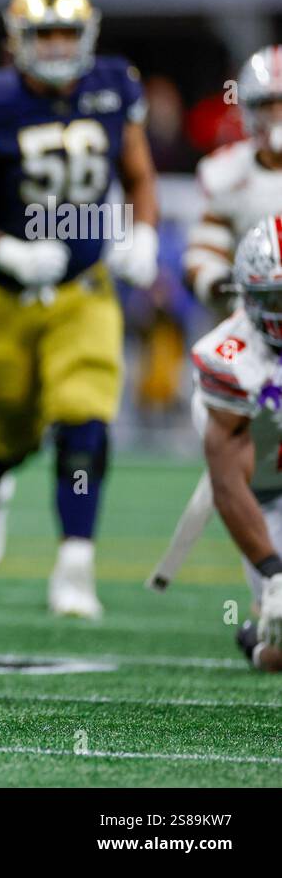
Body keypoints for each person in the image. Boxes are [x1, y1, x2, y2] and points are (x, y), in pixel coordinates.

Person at [0, 0, 159, 618]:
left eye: (67, 33)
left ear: (87, 36)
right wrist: (6, 250)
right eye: (44, 34)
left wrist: (143, 231)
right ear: (17, 40)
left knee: (84, 415)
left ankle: (76, 562)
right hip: (4, 294)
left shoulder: (115, 84)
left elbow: (138, 173)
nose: (57, 47)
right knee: (9, 429)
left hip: (85, 289)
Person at [194, 217, 282, 671]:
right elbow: (229, 483)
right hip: (267, 482)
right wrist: (274, 572)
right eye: (276, 299)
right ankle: (260, 642)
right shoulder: (230, 360)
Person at [184, 46, 282, 318]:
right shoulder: (227, 171)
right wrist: (224, 287)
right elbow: (204, 252)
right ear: (248, 109)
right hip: (251, 320)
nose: (276, 115)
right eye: (267, 105)